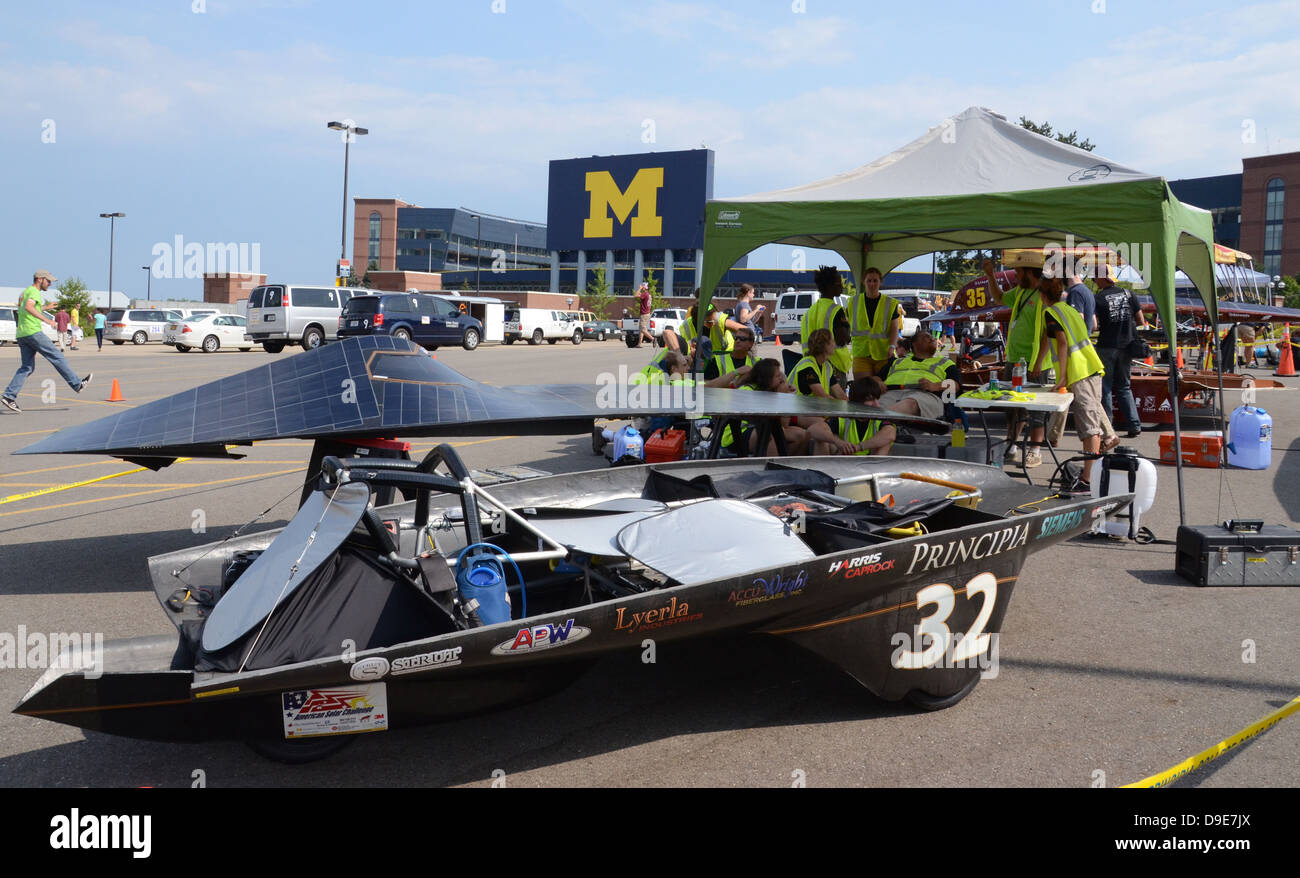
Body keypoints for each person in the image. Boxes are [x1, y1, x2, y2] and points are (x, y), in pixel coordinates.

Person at [1030, 276, 1120, 493]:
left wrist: (1061, 377)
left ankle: (1087, 481)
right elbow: (1047, 337)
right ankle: (1109, 437)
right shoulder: (1066, 308)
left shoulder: (1051, 312)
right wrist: (1039, 363)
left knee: (1089, 428)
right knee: (1092, 416)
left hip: (1080, 371)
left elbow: (1061, 342)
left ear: (1042, 296)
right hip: (1089, 366)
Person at [983, 256, 1047, 466]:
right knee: (1011, 406)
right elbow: (999, 298)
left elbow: (1048, 333)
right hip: (1014, 360)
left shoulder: (1044, 295)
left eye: (1018, 272)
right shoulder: (1021, 291)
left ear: (1030, 272)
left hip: (1036, 361)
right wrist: (990, 276)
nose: (1016, 276)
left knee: (1037, 408)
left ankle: (1035, 451)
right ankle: (1012, 444)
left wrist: (1038, 362)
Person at [2, 271, 92, 413]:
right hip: (33, 332)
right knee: (57, 356)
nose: (49, 284)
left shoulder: (25, 292)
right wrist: (48, 320)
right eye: (48, 281)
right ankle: (77, 384)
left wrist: (46, 308)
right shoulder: (35, 292)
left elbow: (24, 309)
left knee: (27, 367)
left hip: (22, 334)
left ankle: (8, 396)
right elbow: (28, 308)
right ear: (40, 279)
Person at [1094, 266, 1149, 437]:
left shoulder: (1098, 298)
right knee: (1124, 387)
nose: (1095, 281)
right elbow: (1141, 320)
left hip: (1106, 346)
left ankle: (1108, 428)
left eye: (1095, 278)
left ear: (1101, 278)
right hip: (1127, 346)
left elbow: (1094, 325)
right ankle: (1134, 425)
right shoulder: (1129, 294)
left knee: (1106, 388)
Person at [878, 330, 959, 420]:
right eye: (926, 336)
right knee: (876, 406)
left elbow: (955, 385)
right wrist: (877, 382)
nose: (932, 338)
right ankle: (885, 424)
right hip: (891, 393)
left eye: (932, 337)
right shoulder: (897, 361)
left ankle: (883, 421)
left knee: (909, 404)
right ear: (914, 344)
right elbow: (877, 377)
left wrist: (935, 385)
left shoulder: (945, 362)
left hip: (925, 396)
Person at [848, 267, 903, 378]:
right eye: (869, 280)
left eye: (875, 280)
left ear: (880, 282)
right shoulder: (853, 302)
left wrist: (892, 346)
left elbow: (894, 329)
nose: (872, 284)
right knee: (863, 390)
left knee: (882, 391)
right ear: (864, 282)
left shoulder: (890, 303)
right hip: (861, 353)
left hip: (883, 354)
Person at [802, 266, 852, 380]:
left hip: (811, 365)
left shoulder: (809, 312)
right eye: (838, 283)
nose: (842, 286)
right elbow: (843, 339)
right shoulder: (836, 310)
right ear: (829, 286)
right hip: (834, 366)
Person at [833, 376, 896, 455]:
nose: (876, 404)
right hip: (842, 462)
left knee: (885, 443)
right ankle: (819, 468)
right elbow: (815, 429)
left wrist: (859, 447)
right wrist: (838, 442)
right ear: (856, 401)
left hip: (869, 464)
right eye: (870, 399)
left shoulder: (879, 418)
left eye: (877, 399)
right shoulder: (842, 417)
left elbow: (890, 434)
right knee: (824, 440)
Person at [791, 328, 848, 400]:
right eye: (832, 341)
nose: (834, 344)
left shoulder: (827, 366)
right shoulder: (807, 367)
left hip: (810, 408)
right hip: (796, 409)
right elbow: (822, 397)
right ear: (824, 345)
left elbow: (840, 394)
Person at [635, 282, 653, 347]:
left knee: (642, 329)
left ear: (644, 287)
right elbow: (640, 295)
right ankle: (639, 343)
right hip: (647, 313)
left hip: (644, 314)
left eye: (642, 287)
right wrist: (640, 291)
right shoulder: (648, 294)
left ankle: (653, 339)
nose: (641, 288)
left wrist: (639, 289)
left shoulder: (645, 294)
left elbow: (636, 295)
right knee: (641, 329)